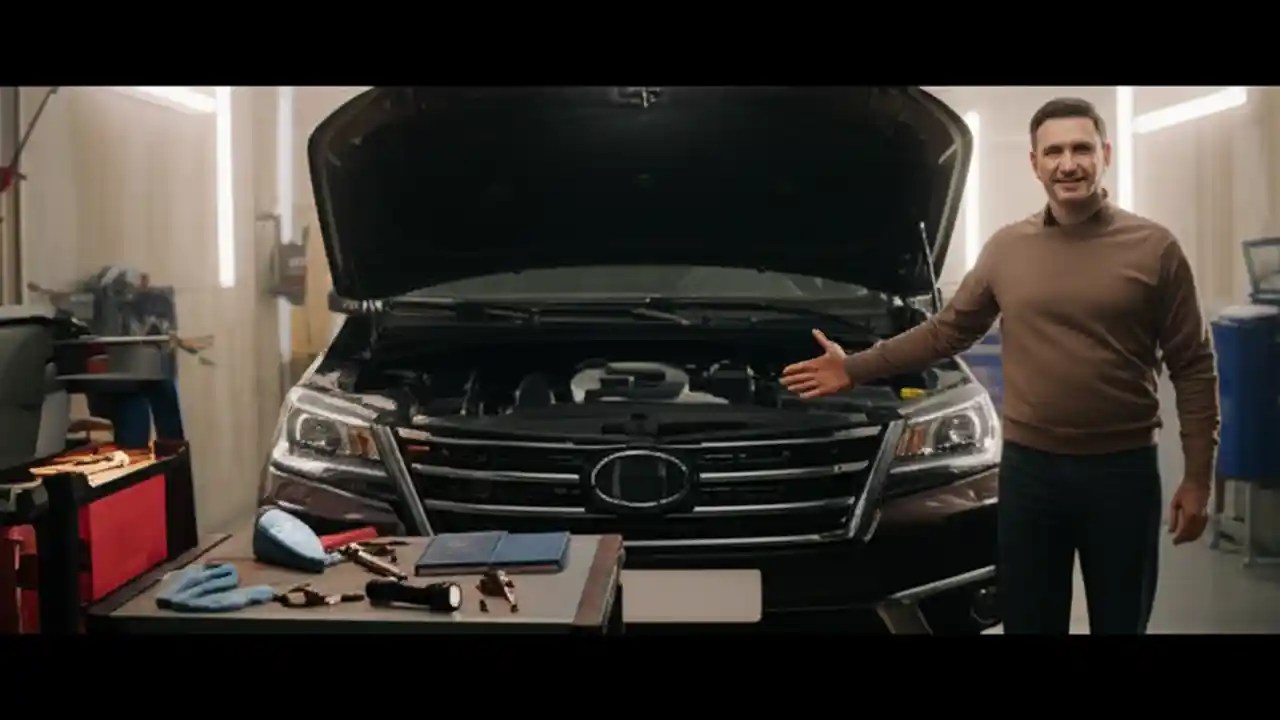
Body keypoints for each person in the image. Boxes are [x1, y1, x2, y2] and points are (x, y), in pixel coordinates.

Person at [780, 97, 1219, 635]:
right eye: (1053, 151)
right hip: (1032, 474)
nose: (1068, 164)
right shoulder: (1008, 248)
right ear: (1035, 163)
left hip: (1121, 473)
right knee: (1030, 622)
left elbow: (1194, 366)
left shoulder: (1154, 249)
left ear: (1104, 154)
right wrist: (856, 368)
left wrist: (1198, 478)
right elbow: (948, 331)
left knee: (1121, 621)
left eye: (1081, 148)